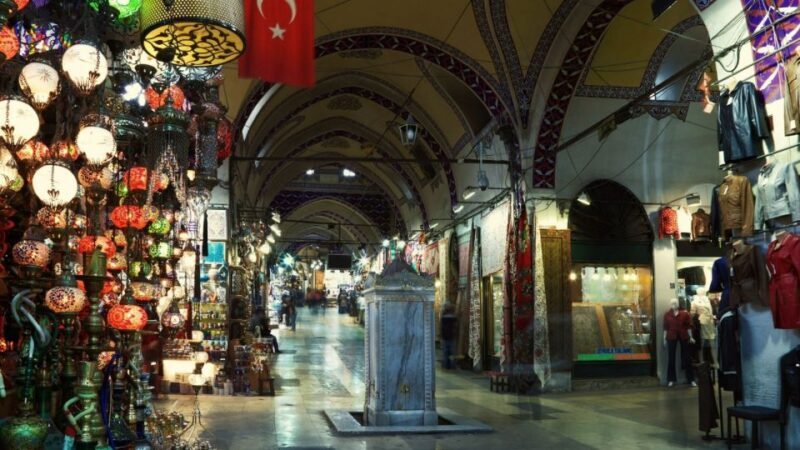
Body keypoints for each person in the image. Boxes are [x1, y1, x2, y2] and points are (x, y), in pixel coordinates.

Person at [440, 304, 458, 369]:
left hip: (445, 336)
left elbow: (442, 328)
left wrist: (441, 336)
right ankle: (452, 365)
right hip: (452, 336)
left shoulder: (443, 317)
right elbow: (455, 327)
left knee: (445, 352)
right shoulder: (454, 318)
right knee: (452, 352)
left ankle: (445, 365)